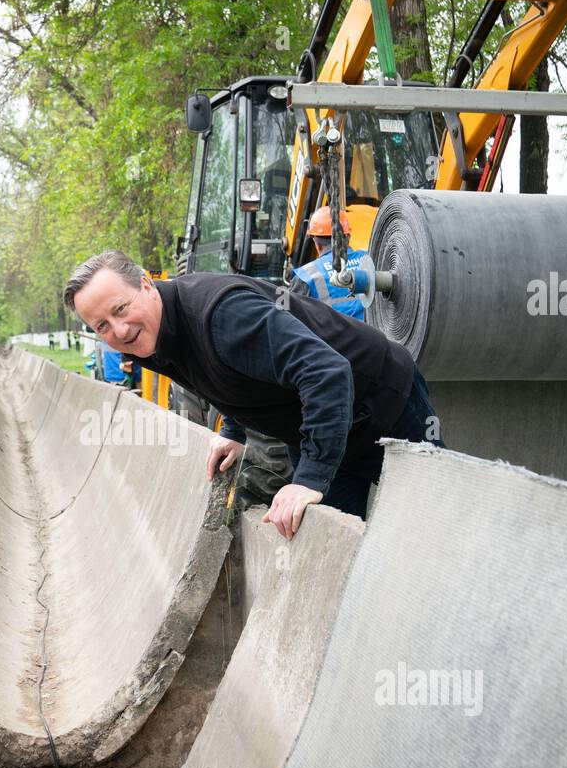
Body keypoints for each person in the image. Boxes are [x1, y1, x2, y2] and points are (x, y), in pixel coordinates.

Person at [64, 250, 443, 539]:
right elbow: (227, 372)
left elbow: (326, 371)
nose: (119, 329)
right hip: (314, 426)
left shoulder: (222, 314)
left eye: (121, 308)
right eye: (102, 326)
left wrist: (309, 479)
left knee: (429, 530)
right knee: (333, 544)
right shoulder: (149, 336)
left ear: (146, 285)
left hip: (382, 403)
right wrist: (233, 430)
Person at [290, 206, 367, 320]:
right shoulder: (370, 259)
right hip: (377, 336)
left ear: (316, 242)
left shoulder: (306, 276)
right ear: (348, 236)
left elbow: (288, 319)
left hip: (330, 337)